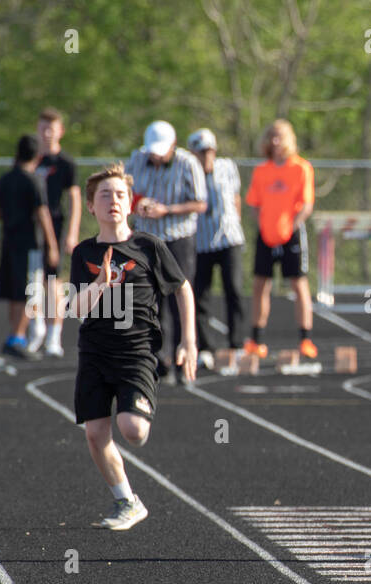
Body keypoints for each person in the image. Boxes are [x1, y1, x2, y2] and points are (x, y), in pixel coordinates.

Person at [67, 163, 196, 531]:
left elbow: (182, 288)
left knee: (134, 431)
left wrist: (189, 340)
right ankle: (127, 501)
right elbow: (76, 307)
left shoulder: (147, 246)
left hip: (136, 352)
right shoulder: (84, 253)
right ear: (91, 206)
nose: (113, 200)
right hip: (94, 352)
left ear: (130, 203)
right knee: (95, 433)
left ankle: (138, 406)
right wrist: (100, 284)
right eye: (105, 195)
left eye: (120, 194)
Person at [123, 120, 212, 375]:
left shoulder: (187, 163)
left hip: (178, 238)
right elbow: (126, 190)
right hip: (145, 238)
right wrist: (139, 203)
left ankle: (182, 355)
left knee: (179, 297)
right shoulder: (137, 160)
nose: (156, 156)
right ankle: (157, 360)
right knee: (149, 299)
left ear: (173, 145)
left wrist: (167, 210)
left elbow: (200, 203)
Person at [244, 118, 317, 360]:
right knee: (260, 285)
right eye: (271, 136)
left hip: (291, 234)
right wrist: (265, 226)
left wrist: (289, 228)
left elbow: (306, 205)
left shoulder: (301, 168)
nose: (275, 141)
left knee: (299, 285)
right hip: (266, 234)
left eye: (280, 136)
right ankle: (256, 340)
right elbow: (254, 203)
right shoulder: (262, 170)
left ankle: (305, 340)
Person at [0, 134, 59, 358]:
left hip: (8, 241)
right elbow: (42, 212)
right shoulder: (34, 180)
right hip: (29, 244)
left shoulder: (5, 179)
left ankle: (14, 334)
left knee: (15, 291)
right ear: (37, 155)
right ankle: (18, 337)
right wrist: (52, 245)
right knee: (30, 292)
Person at [187, 128, 246, 351]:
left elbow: (235, 198)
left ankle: (236, 344)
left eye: (209, 151)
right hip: (201, 241)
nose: (206, 156)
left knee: (234, 290)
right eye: (201, 152)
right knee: (200, 296)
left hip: (229, 238)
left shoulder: (227, 167)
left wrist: (235, 224)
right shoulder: (188, 172)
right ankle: (205, 349)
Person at [34, 107, 81, 356]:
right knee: (32, 282)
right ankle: (34, 329)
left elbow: (74, 198)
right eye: (43, 127)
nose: (47, 133)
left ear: (60, 131)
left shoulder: (66, 163)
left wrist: (72, 233)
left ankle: (54, 336)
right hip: (30, 228)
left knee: (53, 281)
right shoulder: (32, 159)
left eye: (52, 128)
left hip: (56, 225)